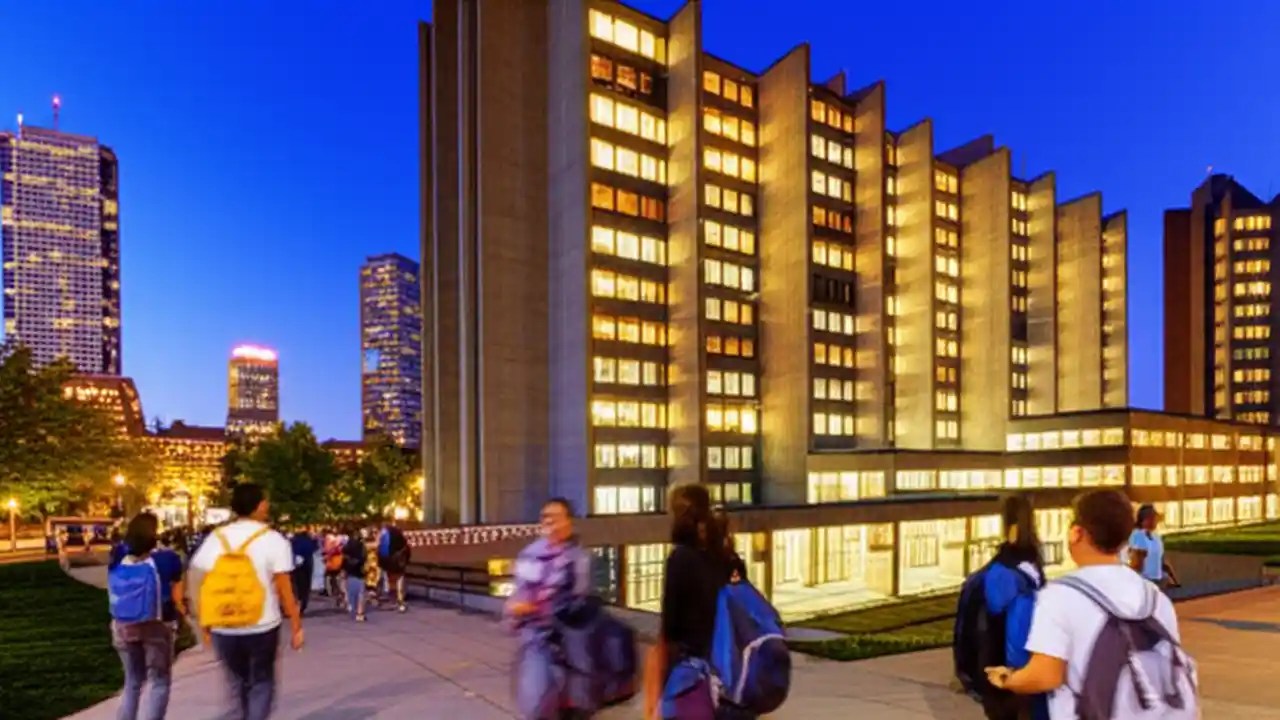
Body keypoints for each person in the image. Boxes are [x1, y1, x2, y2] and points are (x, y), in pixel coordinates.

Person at [985, 490, 1191, 719]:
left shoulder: (1058, 596)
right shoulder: (1155, 598)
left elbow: (1045, 676)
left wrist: (1006, 680)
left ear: (1076, 533)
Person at [189, 483, 303, 720]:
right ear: (260, 505)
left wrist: (203, 624)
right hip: (262, 625)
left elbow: (197, 580)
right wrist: (296, 626)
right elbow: (284, 589)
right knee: (261, 683)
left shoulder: (216, 538)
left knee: (236, 686)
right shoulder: (273, 539)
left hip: (224, 625)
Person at [643, 484, 734, 720]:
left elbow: (669, 630)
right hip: (725, 677)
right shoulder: (724, 558)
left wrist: (653, 703)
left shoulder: (680, 558)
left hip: (691, 677)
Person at [507, 497, 593, 720]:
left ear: (568, 522)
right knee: (538, 704)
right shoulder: (531, 554)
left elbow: (582, 595)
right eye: (545, 518)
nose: (549, 523)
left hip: (574, 640)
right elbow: (520, 594)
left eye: (555, 518)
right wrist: (520, 608)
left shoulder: (578, 557)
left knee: (578, 705)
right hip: (540, 637)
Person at [109, 512, 186, 720]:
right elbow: (177, 594)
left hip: (123, 624)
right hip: (157, 625)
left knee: (132, 681)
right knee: (158, 681)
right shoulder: (169, 558)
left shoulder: (118, 554)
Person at [979, 495, 1047, 720]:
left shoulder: (1003, 571)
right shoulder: (1034, 565)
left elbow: (996, 609)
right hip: (1037, 661)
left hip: (1011, 663)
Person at [1127, 504, 1180, 591]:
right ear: (1147, 519)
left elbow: (1163, 562)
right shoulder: (1138, 535)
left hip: (1158, 582)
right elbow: (1136, 564)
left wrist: (1175, 581)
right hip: (1144, 584)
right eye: (1155, 518)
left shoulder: (1156, 537)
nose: (1156, 521)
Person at [376, 522, 411, 613]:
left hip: (388, 561)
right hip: (399, 561)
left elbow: (381, 548)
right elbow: (406, 548)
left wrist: (381, 562)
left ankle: (394, 600)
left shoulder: (384, 533)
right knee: (399, 579)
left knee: (391, 580)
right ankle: (400, 601)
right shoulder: (398, 535)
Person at [341, 526, 370, 622]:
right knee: (361, 593)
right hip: (360, 570)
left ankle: (351, 606)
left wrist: (344, 569)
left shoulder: (347, 545)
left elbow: (344, 558)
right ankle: (360, 613)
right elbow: (364, 557)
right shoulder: (361, 545)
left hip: (350, 571)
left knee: (351, 591)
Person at [289, 528, 319, 617]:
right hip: (307, 566)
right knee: (305, 588)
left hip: (295, 567)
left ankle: (295, 607)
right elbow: (315, 548)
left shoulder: (293, 541)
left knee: (295, 587)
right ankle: (302, 608)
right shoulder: (309, 542)